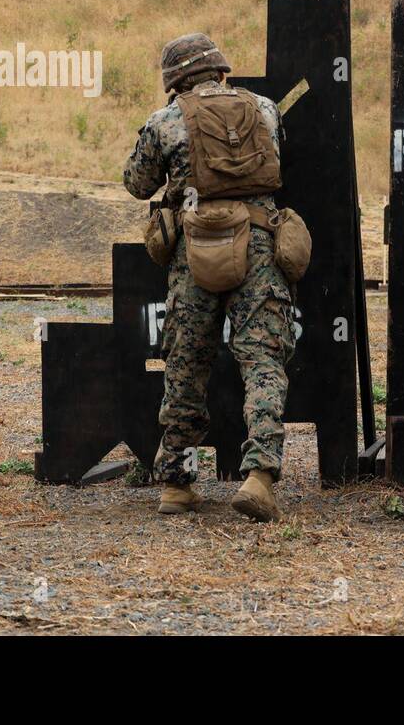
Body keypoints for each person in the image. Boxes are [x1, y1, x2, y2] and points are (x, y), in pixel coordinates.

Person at [123, 32, 297, 523]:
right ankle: (260, 476)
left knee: (186, 361)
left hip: (196, 247)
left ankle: (176, 484)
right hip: (260, 242)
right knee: (262, 358)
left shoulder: (166, 120)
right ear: (222, 70)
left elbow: (137, 184)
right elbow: (278, 162)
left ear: (174, 81)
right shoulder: (263, 108)